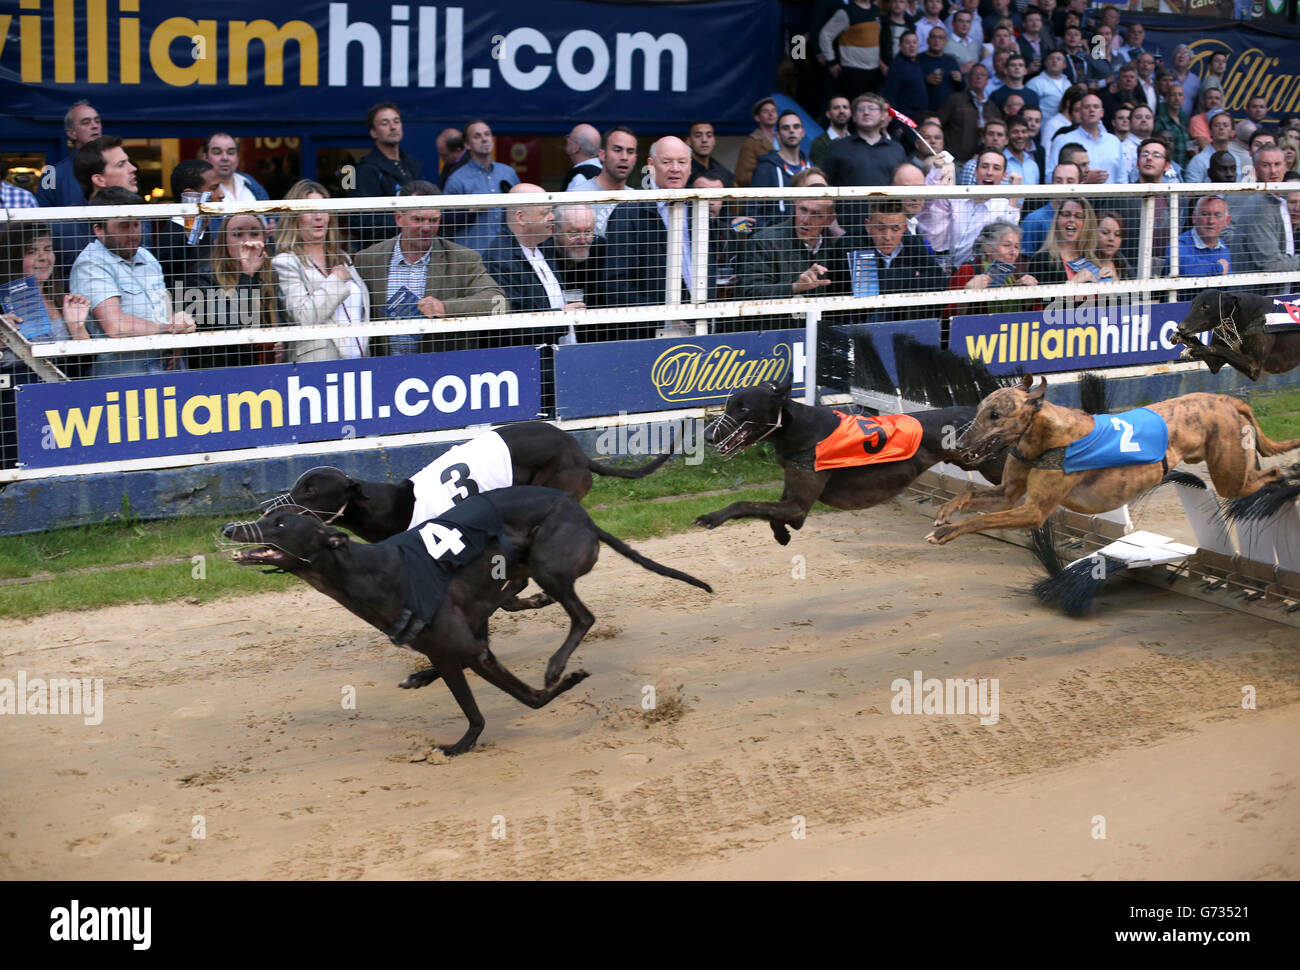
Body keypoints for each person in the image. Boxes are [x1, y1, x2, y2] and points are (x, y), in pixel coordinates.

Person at [353, 181, 506, 355]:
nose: (426, 227)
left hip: (439, 371)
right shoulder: (368, 259)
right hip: (383, 369)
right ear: (398, 218)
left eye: (433, 220)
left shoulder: (462, 259)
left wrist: (445, 308)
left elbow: (499, 302)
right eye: (418, 219)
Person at [69, 186, 196, 377]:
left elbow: (165, 310)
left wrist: (176, 337)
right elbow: (116, 326)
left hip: (163, 371)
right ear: (99, 229)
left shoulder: (147, 257)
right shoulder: (90, 263)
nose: (133, 233)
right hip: (120, 378)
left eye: (136, 224)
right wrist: (168, 329)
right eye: (124, 226)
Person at [0, 223, 91, 466]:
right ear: (14, 257)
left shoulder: (63, 299)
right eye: (32, 251)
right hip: (13, 408)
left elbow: (83, 365)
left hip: (62, 405)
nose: (43, 257)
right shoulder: (1, 305)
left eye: (47, 249)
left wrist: (77, 327)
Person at [271, 180, 370, 362]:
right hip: (316, 367)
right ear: (294, 217)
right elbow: (303, 316)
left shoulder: (343, 258)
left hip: (359, 363)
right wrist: (335, 281)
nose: (318, 216)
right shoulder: (286, 262)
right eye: (309, 210)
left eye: (322, 209)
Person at [604, 137, 703, 319]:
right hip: (653, 331)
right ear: (650, 165)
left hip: (704, 322)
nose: (675, 168)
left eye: (682, 162)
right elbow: (616, 283)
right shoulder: (629, 211)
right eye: (666, 162)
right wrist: (662, 317)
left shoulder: (700, 208)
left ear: (690, 166)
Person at [480, 184, 576, 343]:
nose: (552, 217)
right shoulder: (499, 260)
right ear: (521, 218)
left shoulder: (545, 247)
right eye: (545, 213)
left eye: (551, 210)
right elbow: (508, 325)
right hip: (529, 360)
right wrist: (561, 319)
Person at [183, 212, 279, 370]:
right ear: (223, 242)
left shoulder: (270, 275)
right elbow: (230, 328)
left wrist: (282, 344)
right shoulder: (201, 279)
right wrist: (247, 274)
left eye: (255, 233)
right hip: (217, 376)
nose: (247, 242)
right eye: (237, 234)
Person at [855, 201, 946, 322]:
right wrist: (912, 274)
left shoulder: (912, 243)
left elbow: (940, 281)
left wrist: (891, 279)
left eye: (895, 229)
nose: (887, 236)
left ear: (904, 228)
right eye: (881, 228)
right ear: (868, 225)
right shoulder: (851, 244)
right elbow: (866, 287)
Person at [442, 119, 520, 252]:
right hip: (475, 254)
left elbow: (523, 208)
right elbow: (444, 218)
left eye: (487, 134)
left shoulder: (508, 172)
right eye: (477, 136)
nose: (484, 139)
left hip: (508, 254)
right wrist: (470, 209)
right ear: (467, 145)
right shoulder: (457, 178)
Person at [1230, 145, 1300, 289]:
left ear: (1285, 166)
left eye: (1277, 164)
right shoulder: (1259, 205)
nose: (1273, 171)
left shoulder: (1277, 201)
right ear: (1255, 169)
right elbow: (1270, 263)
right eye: (1266, 165)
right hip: (1256, 301)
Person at [153, 158, 225, 296]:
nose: (222, 194)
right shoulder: (168, 240)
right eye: (214, 188)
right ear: (190, 195)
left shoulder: (203, 228)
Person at [945, 219, 1038, 322]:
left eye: (1016, 247)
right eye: (1007, 245)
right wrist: (967, 293)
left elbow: (1037, 316)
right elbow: (947, 318)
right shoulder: (968, 270)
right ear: (988, 249)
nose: (1013, 252)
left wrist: (1029, 298)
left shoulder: (1017, 275)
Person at [823, 94, 909, 189]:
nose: (866, 112)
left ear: (883, 115)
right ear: (854, 116)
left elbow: (905, 183)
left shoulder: (896, 149)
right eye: (861, 109)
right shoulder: (838, 147)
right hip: (850, 203)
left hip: (888, 204)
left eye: (872, 108)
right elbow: (827, 182)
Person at [568, 126, 639, 236]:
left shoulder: (638, 199)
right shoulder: (577, 196)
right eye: (617, 150)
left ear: (635, 159)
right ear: (602, 155)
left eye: (630, 152)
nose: (624, 157)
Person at [36, 99, 101, 208]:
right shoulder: (51, 174)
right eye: (86, 122)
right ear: (71, 133)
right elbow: (42, 218)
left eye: (97, 121)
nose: (95, 126)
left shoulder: (117, 166)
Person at [545, 203, 609, 313]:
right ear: (554, 232)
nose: (582, 240)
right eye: (573, 233)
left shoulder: (602, 250)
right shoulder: (542, 255)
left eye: (588, 232)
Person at [750, 111, 812, 224]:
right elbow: (752, 211)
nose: (791, 130)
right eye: (786, 127)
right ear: (777, 135)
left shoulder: (810, 167)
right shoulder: (766, 167)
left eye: (796, 126)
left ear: (803, 132)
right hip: (775, 238)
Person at [1027, 196, 1106, 284]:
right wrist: (1073, 282)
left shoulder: (1092, 260)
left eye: (1078, 216)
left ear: (1087, 223)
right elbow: (1044, 297)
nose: (1071, 220)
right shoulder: (1042, 259)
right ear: (1058, 219)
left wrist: (1110, 282)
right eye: (1066, 214)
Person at [938, 63, 1002, 163]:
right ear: (968, 78)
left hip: (982, 161)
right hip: (956, 160)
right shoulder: (955, 100)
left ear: (987, 80)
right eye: (975, 74)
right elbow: (938, 123)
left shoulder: (992, 107)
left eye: (982, 75)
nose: (978, 77)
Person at [1168, 195, 1231, 279]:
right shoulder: (1178, 244)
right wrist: (1219, 268)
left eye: (1218, 216)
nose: (1211, 221)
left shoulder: (1223, 248)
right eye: (1205, 214)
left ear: (1226, 221)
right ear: (1194, 217)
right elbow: (1186, 269)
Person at [201, 133, 270, 203]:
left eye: (231, 152)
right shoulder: (200, 188)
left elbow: (269, 212)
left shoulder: (249, 181)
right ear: (205, 158)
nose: (225, 158)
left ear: (238, 158)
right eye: (217, 152)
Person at [1186, 111, 1249, 185]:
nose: (1221, 128)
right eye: (1217, 125)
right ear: (1210, 132)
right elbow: (1191, 193)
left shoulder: (1236, 159)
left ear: (1232, 132)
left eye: (1225, 125)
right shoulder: (1198, 161)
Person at [735, 98, 779, 188]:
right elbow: (743, 177)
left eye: (773, 111)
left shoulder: (782, 139)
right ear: (757, 118)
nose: (771, 114)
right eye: (766, 111)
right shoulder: (751, 143)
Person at [1153, 84, 1190, 168]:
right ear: (1166, 98)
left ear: (1183, 99)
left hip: (1183, 167)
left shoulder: (1184, 120)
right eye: (1173, 95)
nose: (1177, 98)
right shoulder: (1160, 121)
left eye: (1180, 95)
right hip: (1167, 167)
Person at [688, 120, 734, 185]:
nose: (704, 140)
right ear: (689, 141)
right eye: (698, 136)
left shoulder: (724, 173)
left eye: (709, 135)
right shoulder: (683, 171)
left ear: (714, 140)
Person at [1093, 210, 1131, 280]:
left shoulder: (1123, 266)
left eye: (1117, 234)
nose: (1111, 238)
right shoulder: (1082, 263)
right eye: (1105, 232)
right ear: (1094, 234)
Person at [562, 124, 603, 189]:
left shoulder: (579, 179)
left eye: (569, 137)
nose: (567, 139)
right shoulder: (605, 173)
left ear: (576, 147)